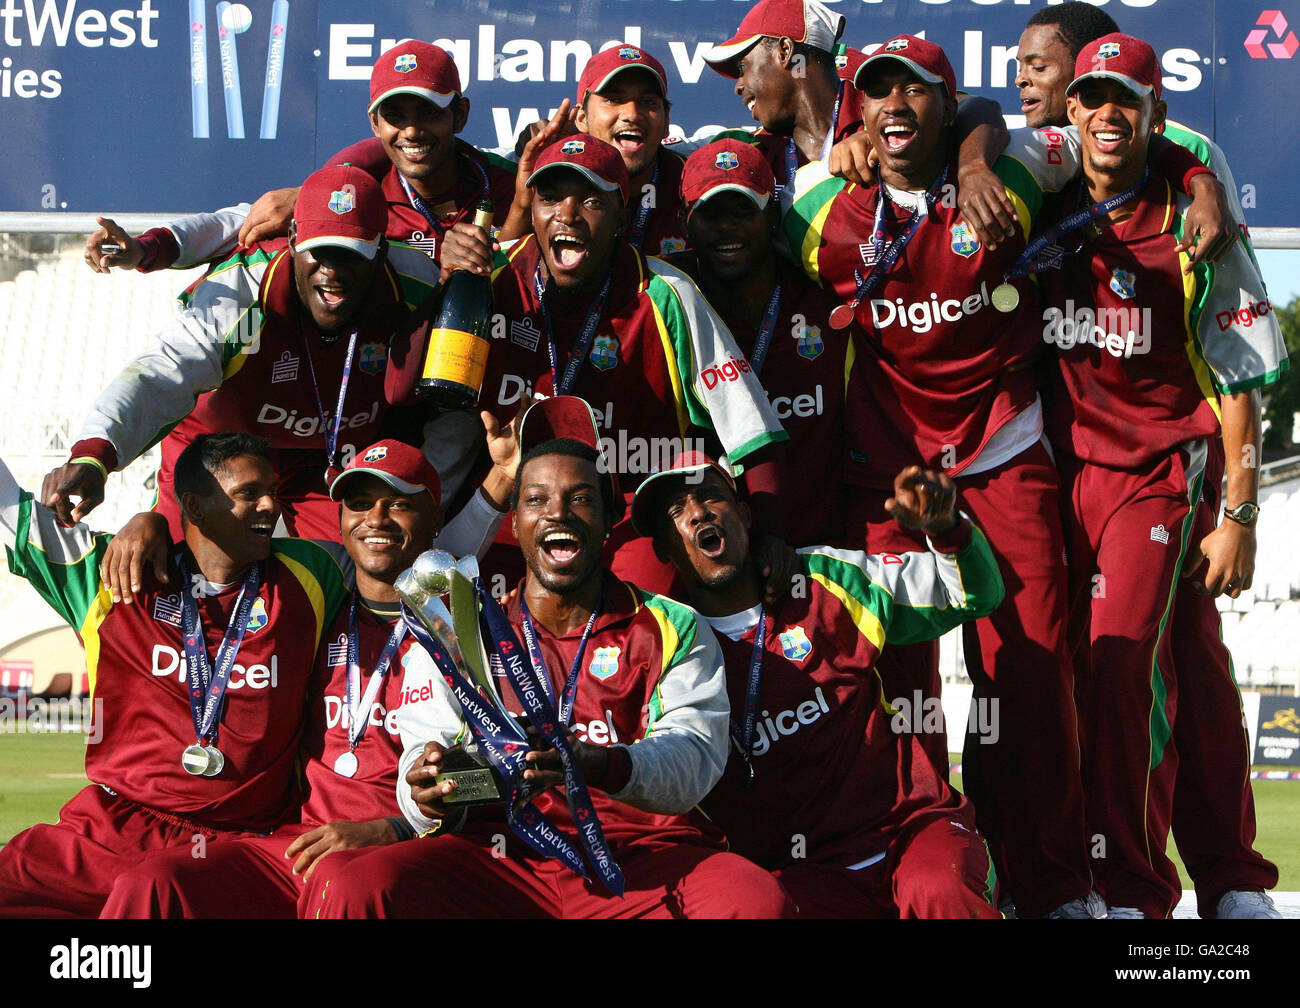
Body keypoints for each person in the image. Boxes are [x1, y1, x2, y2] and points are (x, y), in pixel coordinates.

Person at [301, 396, 795, 918]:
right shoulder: (458, 629)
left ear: (608, 519)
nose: (556, 512)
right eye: (536, 500)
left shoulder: (672, 625)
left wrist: (596, 763)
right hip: (504, 862)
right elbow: (424, 754)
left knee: (752, 899)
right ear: (514, 525)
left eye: (579, 498)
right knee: (357, 882)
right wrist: (427, 793)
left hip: (643, 857)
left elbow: (694, 760)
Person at [1014, 0, 1283, 921]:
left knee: (1123, 666)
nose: (1094, 112)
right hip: (1054, 477)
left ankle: (1133, 890)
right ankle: (1226, 878)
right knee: (1191, 671)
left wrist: (1242, 512)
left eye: (1120, 98)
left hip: (1161, 471)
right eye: (1084, 95)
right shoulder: (1036, 189)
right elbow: (959, 145)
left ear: (1155, 111)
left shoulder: (1195, 213)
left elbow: (1243, 373)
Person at [95, 437, 513, 917]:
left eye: (398, 505)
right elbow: (211, 543)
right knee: (159, 882)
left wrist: (397, 826)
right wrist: (151, 522)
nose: (375, 520)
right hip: (302, 844)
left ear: (436, 519)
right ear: (340, 521)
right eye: (358, 504)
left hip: (410, 843)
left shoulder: (468, 624)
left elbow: (503, 767)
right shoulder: (314, 600)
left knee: (350, 881)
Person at [633, 451, 1005, 917]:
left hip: (911, 835)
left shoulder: (827, 579)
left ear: (745, 516)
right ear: (665, 549)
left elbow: (972, 596)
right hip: (801, 876)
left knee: (939, 891)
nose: (698, 513)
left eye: (711, 496)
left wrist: (946, 528)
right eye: (675, 512)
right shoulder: (663, 645)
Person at [0, 433, 352, 917]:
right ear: (195, 505)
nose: (272, 504)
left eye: (272, 489)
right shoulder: (111, 574)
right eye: (249, 493)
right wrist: (147, 518)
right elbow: (8, 509)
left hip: (241, 841)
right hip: (111, 828)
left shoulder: (313, 571)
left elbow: (397, 557)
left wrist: (495, 488)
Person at [429, 136, 790, 596]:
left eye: (591, 200)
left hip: (629, 514)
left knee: (638, 638)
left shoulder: (667, 292)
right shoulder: (490, 278)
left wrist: (771, 533)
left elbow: (750, 429)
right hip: (519, 510)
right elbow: (410, 398)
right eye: (550, 197)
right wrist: (446, 281)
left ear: (622, 214)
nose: (568, 214)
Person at [45, 164, 437, 542]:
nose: (331, 271)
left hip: (324, 461)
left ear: (382, 249)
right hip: (219, 452)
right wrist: (95, 455)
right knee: (193, 579)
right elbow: (159, 375)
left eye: (350, 253)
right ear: (294, 237)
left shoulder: (417, 286)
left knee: (352, 577)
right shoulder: (244, 294)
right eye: (320, 250)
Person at [85, 41, 516, 274]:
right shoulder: (353, 187)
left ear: (459, 114)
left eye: (428, 112)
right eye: (395, 115)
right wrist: (144, 248)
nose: (411, 131)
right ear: (373, 123)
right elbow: (237, 222)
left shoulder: (510, 184)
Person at [670, 138, 850, 546]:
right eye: (710, 213)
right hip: (707, 557)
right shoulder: (669, 305)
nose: (727, 226)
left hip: (821, 550)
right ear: (684, 222)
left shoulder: (823, 299)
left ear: (772, 214)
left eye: (742, 210)